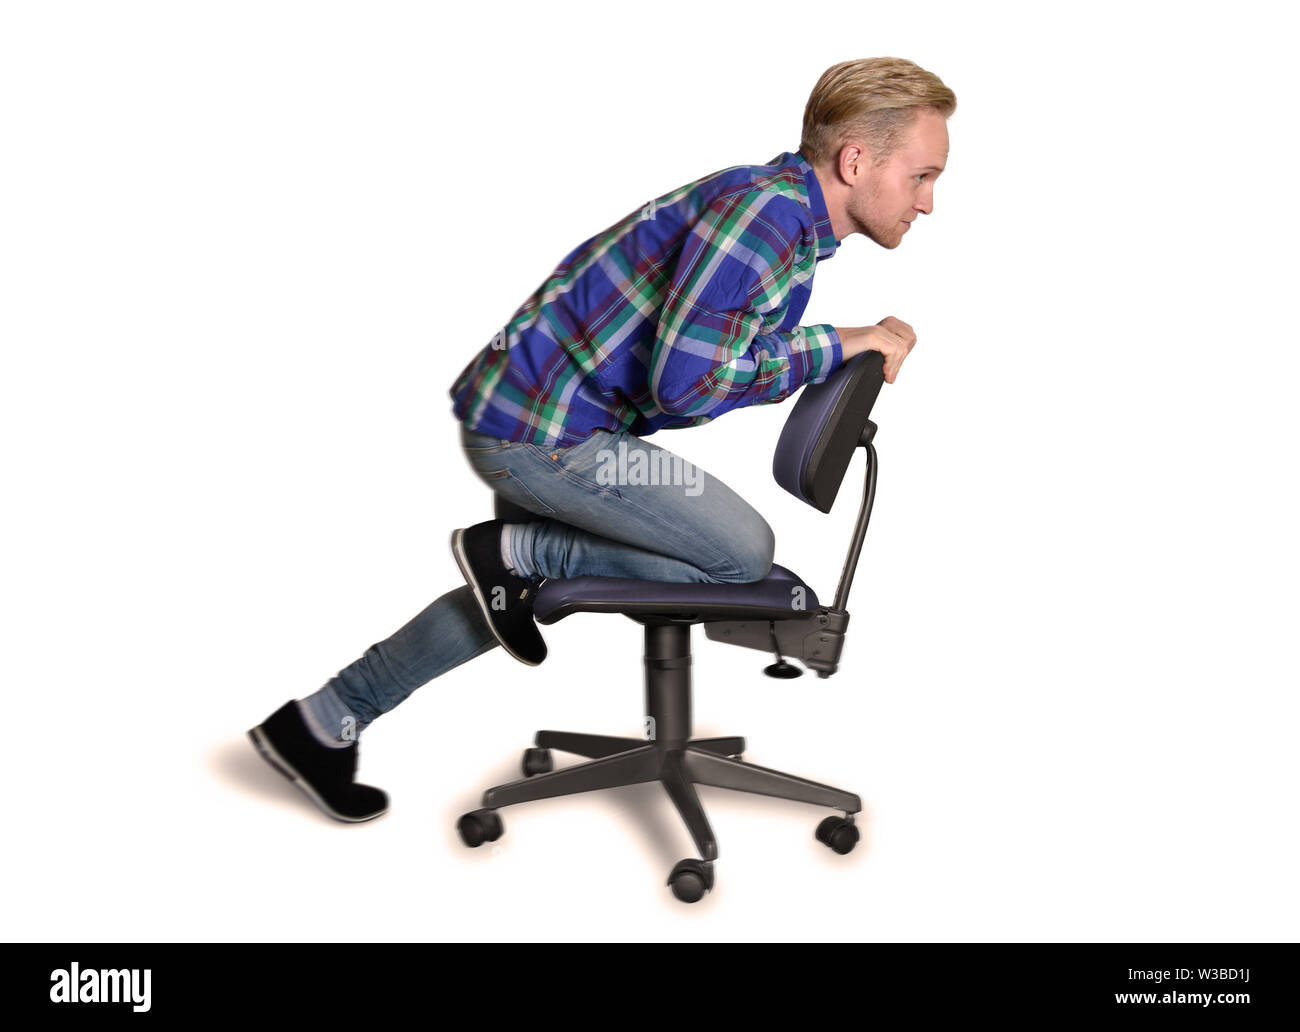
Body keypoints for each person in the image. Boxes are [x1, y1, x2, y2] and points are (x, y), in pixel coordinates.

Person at [247, 57, 955, 822]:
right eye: (922, 175)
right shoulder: (768, 220)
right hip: (549, 437)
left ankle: (320, 721)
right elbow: (684, 383)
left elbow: (699, 368)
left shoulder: (779, 212)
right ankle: (521, 554)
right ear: (856, 160)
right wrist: (836, 342)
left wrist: (840, 345)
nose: (929, 202)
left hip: (542, 419)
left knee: (519, 599)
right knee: (741, 552)